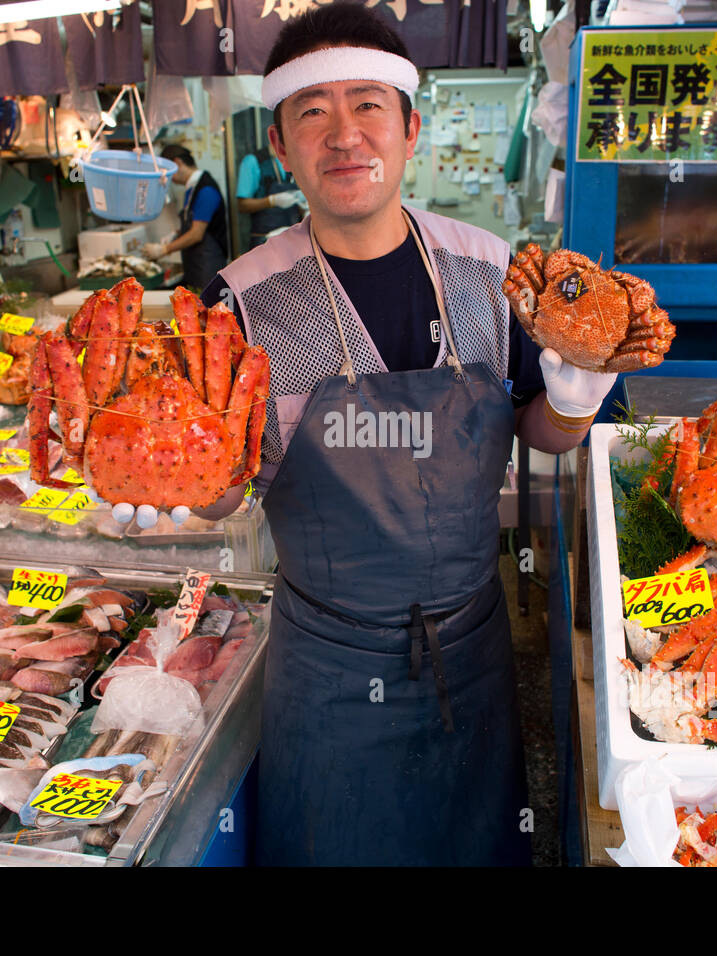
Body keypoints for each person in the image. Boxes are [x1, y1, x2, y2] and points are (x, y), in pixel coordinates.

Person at [195, 5, 617, 866]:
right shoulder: (236, 307)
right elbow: (225, 494)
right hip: (327, 666)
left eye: (368, 106)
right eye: (312, 112)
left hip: (474, 645)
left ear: (411, 127)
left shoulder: (495, 273)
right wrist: (171, 487)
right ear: (280, 145)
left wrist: (576, 395)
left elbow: (543, 432)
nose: (343, 135)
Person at [158, 144, 229, 293]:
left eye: (166, 172)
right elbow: (193, 222)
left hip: (208, 269)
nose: (167, 178)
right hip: (196, 267)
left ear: (177, 163)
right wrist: (177, 234)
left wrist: (164, 250)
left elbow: (197, 234)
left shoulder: (206, 190)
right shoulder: (192, 188)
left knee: (208, 312)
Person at [236, 141, 303, 247]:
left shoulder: (294, 162)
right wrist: (271, 201)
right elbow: (242, 205)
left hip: (293, 239)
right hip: (264, 240)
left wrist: (305, 206)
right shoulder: (253, 161)